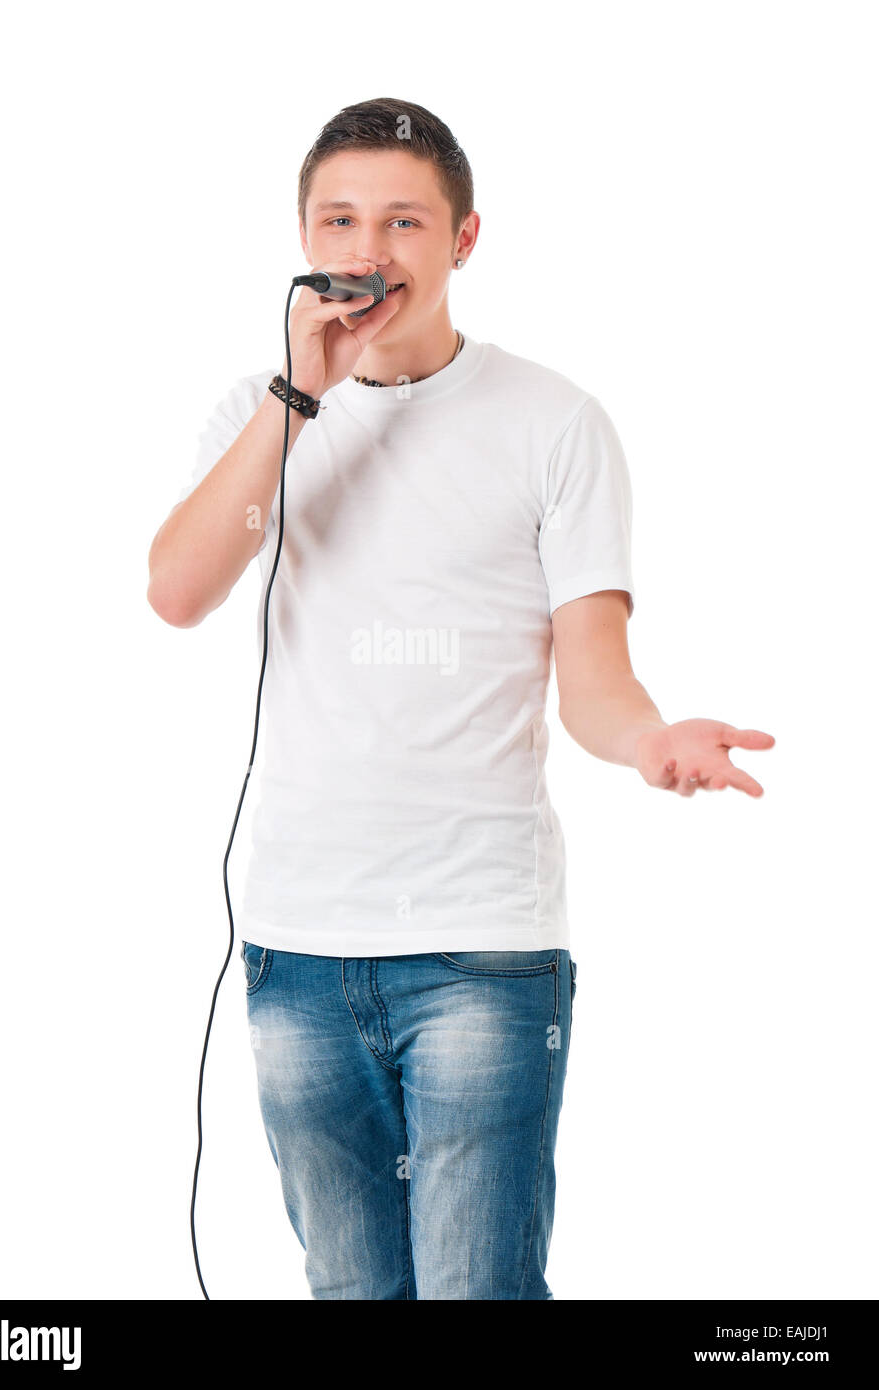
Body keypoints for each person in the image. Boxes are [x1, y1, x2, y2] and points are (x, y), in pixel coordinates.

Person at [147, 97, 774, 1300]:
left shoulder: (554, 424)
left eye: (403, 221)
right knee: (350, 1290)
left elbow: (594, 676)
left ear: (463, 239)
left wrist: (649, 741)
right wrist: (298, 396)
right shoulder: (255, 412)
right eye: (340, 219)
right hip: (299, 942)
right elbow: (178, 592)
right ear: (302, 234)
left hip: (482, 946)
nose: (368, 249)